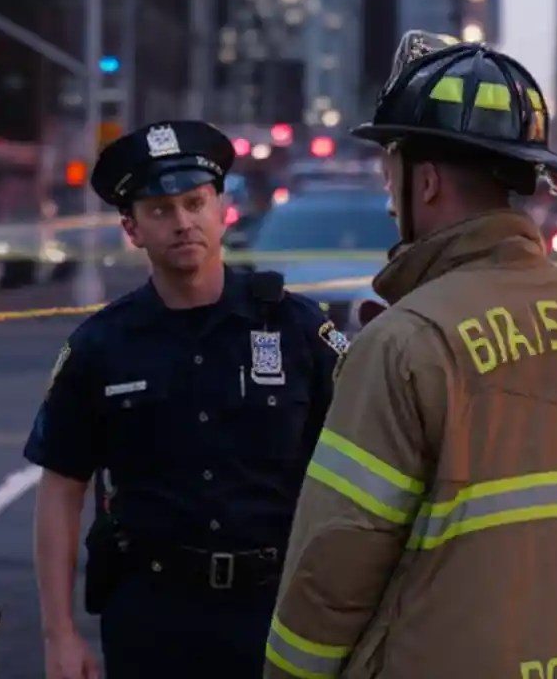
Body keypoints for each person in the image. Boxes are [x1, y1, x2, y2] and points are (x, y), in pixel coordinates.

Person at [263, 31, 557, 679]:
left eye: (392, 167)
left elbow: (334, 564)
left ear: (430, 180)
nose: (390, 197)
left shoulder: (404, 342)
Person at [25, 120, 348, 678]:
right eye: (160, 210)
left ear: (222, 207)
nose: (182, 222)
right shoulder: (101, 346)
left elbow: (358, 466)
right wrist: (59, 633)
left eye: (195, 202)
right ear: (132, 229)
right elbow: (60, 490)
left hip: (278, 612)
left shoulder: (296, 330)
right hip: (153, 618)